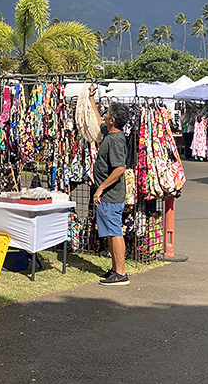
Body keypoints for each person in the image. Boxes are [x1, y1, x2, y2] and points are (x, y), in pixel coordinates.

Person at [89, 85, 130, 286]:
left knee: (114, 233)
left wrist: (100, 188)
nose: (104, 116)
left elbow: (119, 169)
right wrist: (91, 99)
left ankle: (121, 273)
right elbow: (98, 122)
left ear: (112, 120)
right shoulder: (110, 132)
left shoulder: (115, 140)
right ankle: (115, 269)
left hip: (111, 196)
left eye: (107, 114)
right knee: (110, 232)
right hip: (108, 196)